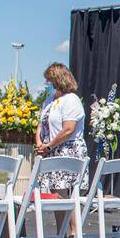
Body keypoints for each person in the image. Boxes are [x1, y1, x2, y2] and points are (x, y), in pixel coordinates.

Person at [34, 62, 87, 193]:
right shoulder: (48, 101)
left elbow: (69, 129)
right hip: (51, 150)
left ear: (57, 80)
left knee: (67, 199)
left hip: (68, 151)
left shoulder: (71, 99)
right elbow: (41, 125)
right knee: (55, 197)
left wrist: (50, 146)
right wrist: (40, 144)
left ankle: (74, 215)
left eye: (49, 80)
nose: (47, 83)